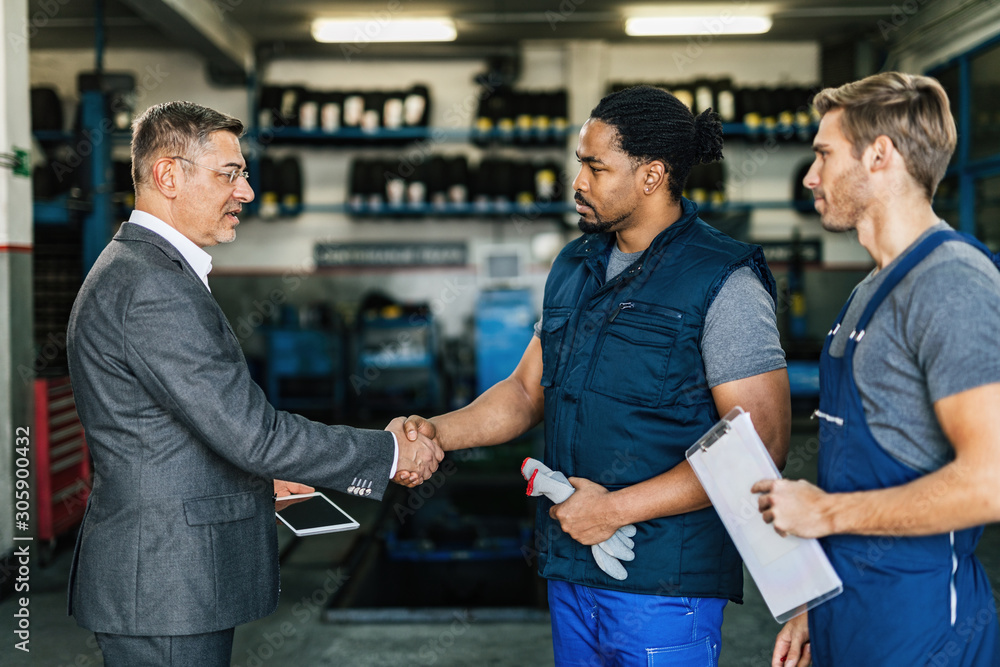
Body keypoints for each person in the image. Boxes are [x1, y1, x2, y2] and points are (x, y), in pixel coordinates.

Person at [401, 85, 791, 666]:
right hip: (572, 565)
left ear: (652, 175)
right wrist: (435, 432)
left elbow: (761, 446)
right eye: (579, 164)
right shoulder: (575, 265)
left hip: (664, 583)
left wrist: (616, 509)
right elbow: (523, 391)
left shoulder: (722, 280)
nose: (577, 182)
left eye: (594, 166)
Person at [65, 100, 443, 666]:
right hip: (167, 584)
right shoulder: (152, 287)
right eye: (230, 174)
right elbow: (252, 435)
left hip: (166, 578)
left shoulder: (146, 270)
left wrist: (260, 476)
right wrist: (388, 452)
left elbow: (175, 435)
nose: (246, 191)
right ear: (169, 175)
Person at [752, 72, 1000, 667]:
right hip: (849, 611)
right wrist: (817, 601)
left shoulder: (951, 285)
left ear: (880, 155)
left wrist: (825, 513)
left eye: (823, 155)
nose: (810, 177)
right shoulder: (870, 289)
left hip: (921, 628)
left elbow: (991, 482)